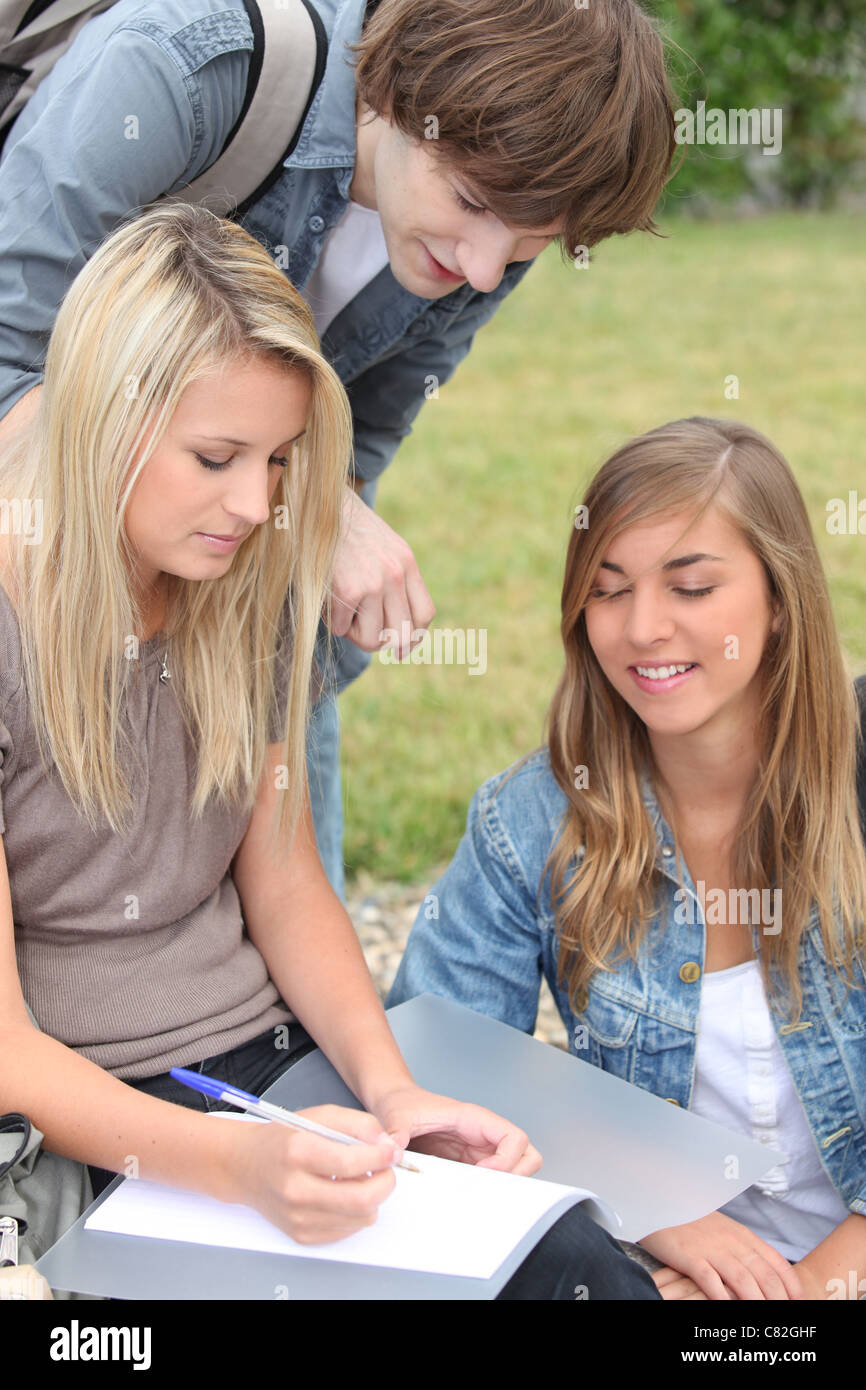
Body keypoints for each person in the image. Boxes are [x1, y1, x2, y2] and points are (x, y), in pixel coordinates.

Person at [0, 202, 660, 1299]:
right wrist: (233, 1168)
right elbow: (10, 1051)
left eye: (278, 460)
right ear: (101, 420)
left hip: (255, 1079)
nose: (256, 504)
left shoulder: (235, 584)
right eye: (217, 457)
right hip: (76, 1133)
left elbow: (286, 876)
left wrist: (391, 1092)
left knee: (573, 1275)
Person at [0, 0, 679, 898]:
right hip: (34, 555)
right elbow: (10, 367)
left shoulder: (485, 243)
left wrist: (317, 522)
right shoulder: (176, 68)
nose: (482, 270)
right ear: (396, 92)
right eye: (472, 202)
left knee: (282, 910)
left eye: (531, 244)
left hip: (215, 591)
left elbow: (363, 441)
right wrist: (312, 514)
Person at [388, 416, 866, 1301]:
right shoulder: (530, 818)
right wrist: (648, 1211)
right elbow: (430, 1074)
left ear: (781, 596)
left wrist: (812, 1293)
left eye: (690, 587)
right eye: (609, 590)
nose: (644, 627)